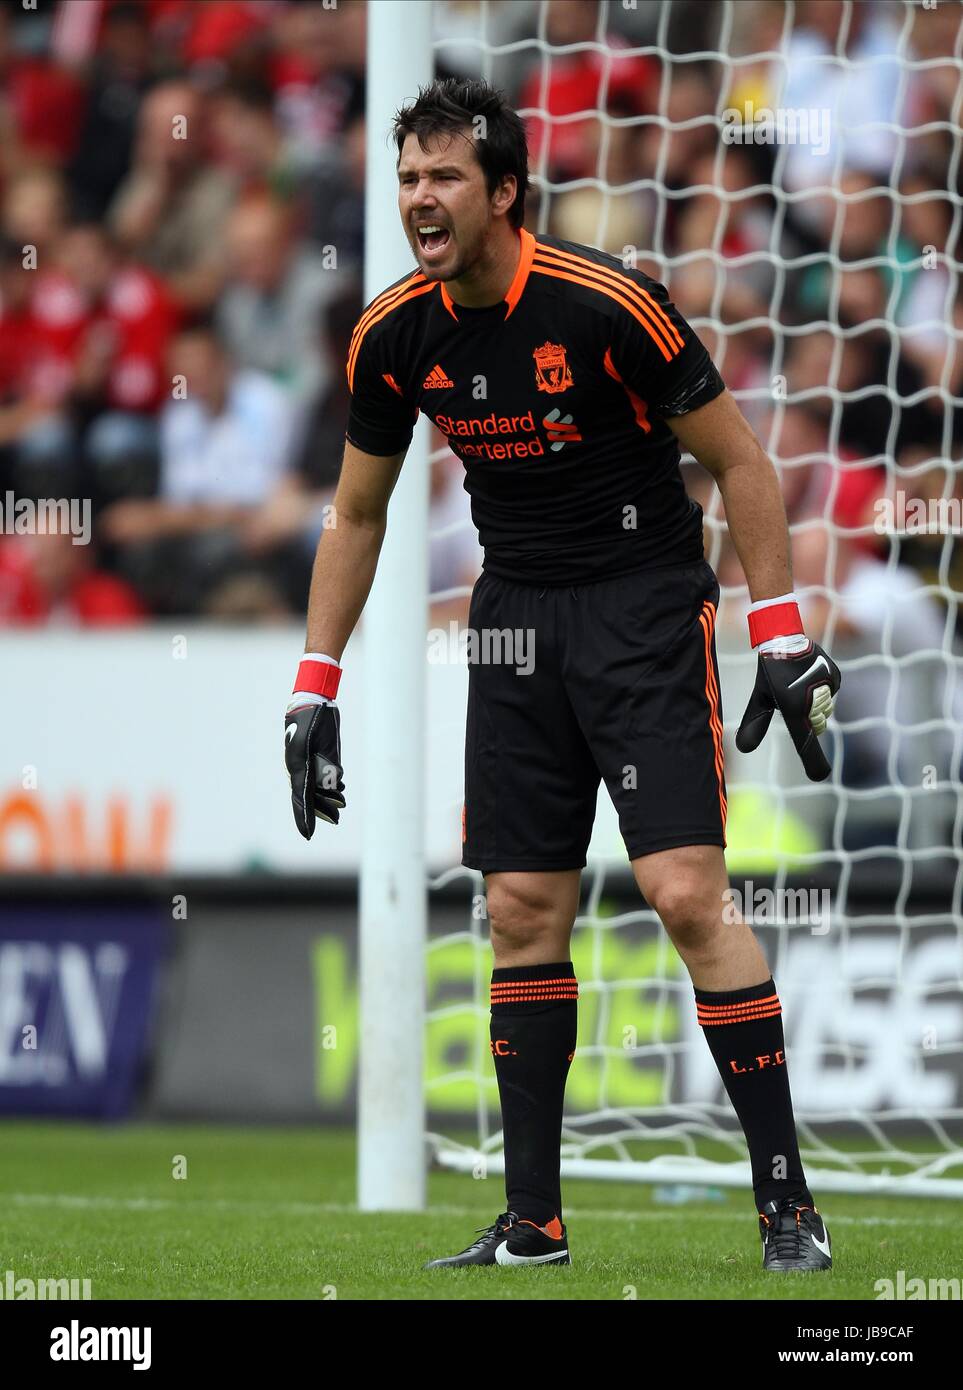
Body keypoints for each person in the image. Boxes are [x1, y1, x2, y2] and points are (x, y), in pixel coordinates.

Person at [283, 78, 841, 1273]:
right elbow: (357, 514)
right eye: (407, 177)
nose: (419, 200)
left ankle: (787, 1203)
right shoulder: (393, 334)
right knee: (523, 911)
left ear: (503, 192)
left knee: (688, 895)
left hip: (642, 607)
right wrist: (313, 680)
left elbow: (741, 462)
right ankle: (533, 1223)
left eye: (442, 179)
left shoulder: (608, 303)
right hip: (515, 623)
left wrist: (781, 631)